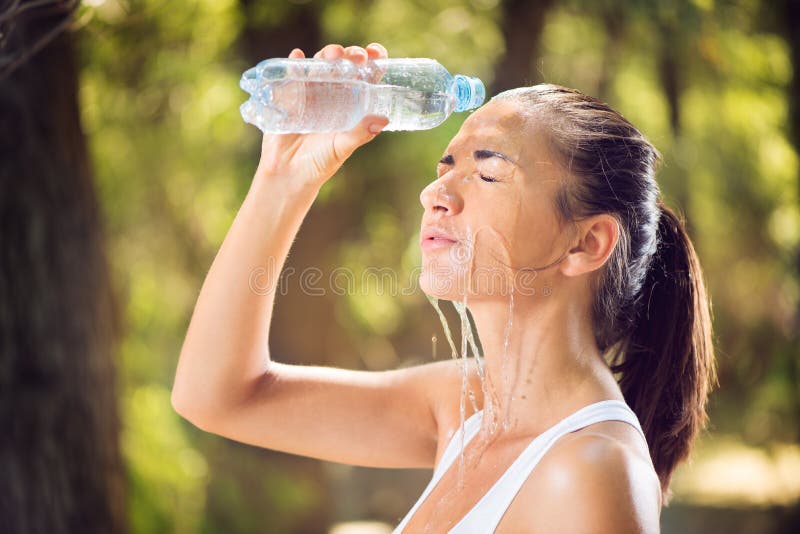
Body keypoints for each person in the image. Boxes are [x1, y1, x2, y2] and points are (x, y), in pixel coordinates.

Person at [171, 42, 716, 533]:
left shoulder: (590, 472)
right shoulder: (466, 408)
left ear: (587, 243)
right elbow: (219, 398)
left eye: (487, 173)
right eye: (446, 166)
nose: (435, 192)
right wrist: (283, 180)